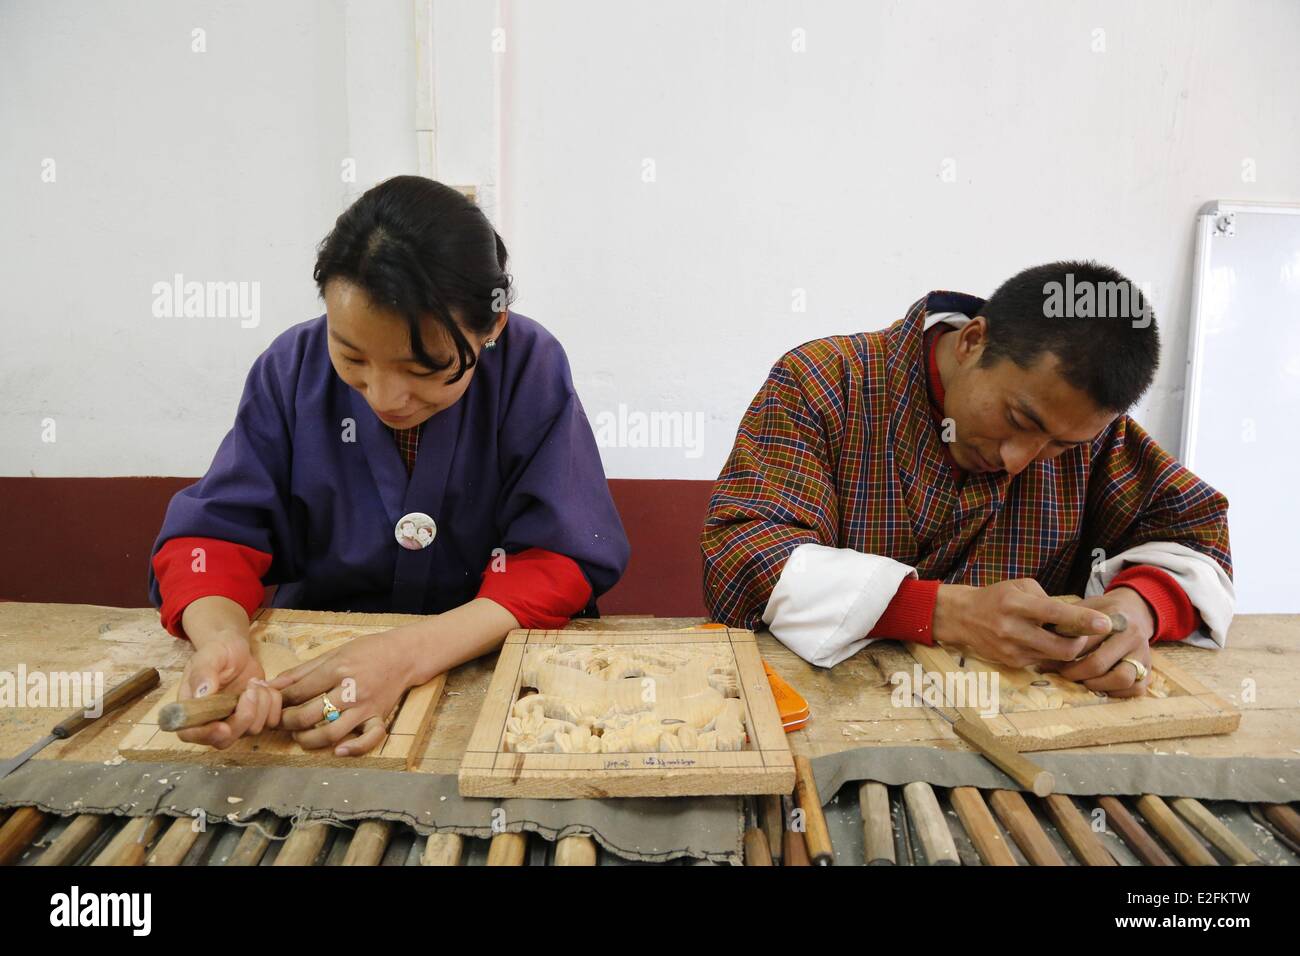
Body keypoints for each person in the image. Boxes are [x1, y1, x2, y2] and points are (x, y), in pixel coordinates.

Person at [149, 176, 629, 754]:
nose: (383, 397)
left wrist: (407, 656)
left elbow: (559, 557)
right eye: (351, 357)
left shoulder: (529, 366)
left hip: (488, 667)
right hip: (317, 669)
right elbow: (212, 539)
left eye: (423, 369)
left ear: (493, 327)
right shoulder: (291, 367)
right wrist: (222, 639)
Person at [701, 261, 1233, 698]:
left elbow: (1196, 534)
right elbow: (745, 553)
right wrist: (941, 612)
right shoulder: (825, 382)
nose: (1019, 460)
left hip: (1021, 735)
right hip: (825, 714)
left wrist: (1134, 610)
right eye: (1019, 420)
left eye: (1060, 446)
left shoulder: (1090, 435)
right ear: (972, 341)